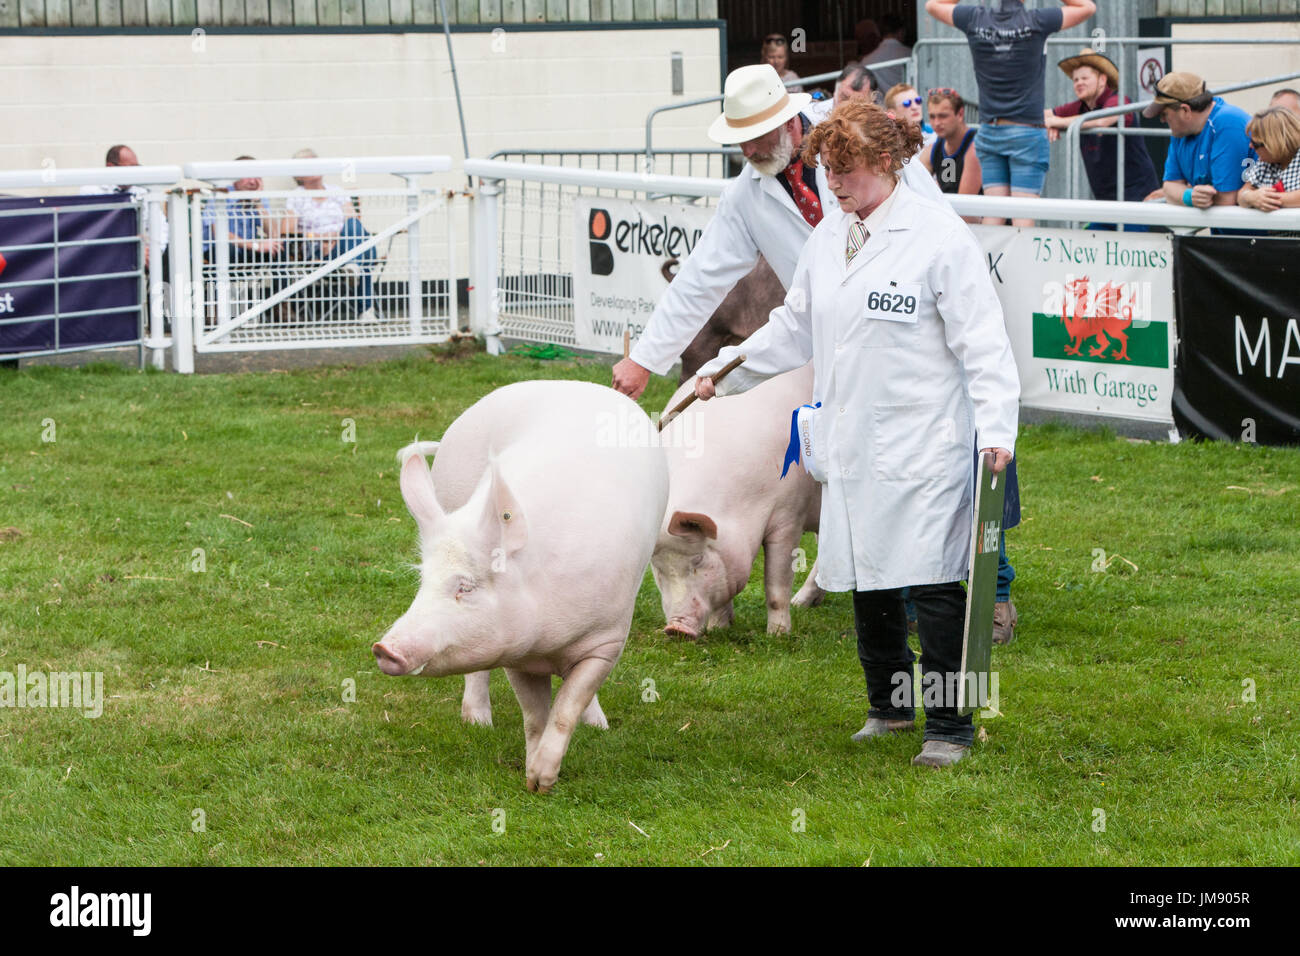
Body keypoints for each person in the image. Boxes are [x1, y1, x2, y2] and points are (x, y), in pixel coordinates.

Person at [692, 100, 1020, 768]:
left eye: (845, 171)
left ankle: (950, 727)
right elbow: (795, 323)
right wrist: (724, 368)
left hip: (924, 443)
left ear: (886, 162)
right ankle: (889, 709)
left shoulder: (938, 237)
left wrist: (997, 431)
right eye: (827, 171)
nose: (833, 185)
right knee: (867, 577)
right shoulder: (831, 235)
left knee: (933, 584)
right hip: (851, 440)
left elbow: (985, 345)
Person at [611, 63, 946, 400]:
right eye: (739, 140)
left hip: (910, 331)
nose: (747, 152)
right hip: (832, 349)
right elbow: (700, 278)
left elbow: (939, 228)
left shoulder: (865, 142)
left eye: (755, 138)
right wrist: (644, 359)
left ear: (787, 123)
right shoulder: (745, 195)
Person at [927, 0, 1097, 226]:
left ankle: (991, 263)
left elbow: (932, 5)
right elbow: (1087, 7)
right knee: (1022, 219)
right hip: (1026, 134)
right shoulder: (1037, 20)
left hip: (990, 131)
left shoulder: (974, 19)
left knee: (993, 216)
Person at [1045, 48, 1160, 219]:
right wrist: (1051, 123)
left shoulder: (1119, 101)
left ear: (1102, 80)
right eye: (1075, 79)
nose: (1078, 83)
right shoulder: (1081, 106)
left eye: (1085, 78)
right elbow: (1044, 115)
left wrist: (1058, 122)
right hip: (1106, 201)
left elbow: (1102, 120)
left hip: (1137, 199)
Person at [280, 147, 378, 321]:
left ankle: (351, 265)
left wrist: (336, 238)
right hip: (319, 252)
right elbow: (287, 232)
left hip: (343, 244)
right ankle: (366, 310)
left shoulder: (336, 191)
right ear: (298, 176)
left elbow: (353, 220)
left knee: (355, 229)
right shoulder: (296, 197)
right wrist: (320, 238)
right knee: (365, 249)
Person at [1147, 72, 1254, 214]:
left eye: (1164, 114)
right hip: (1226, 231)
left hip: (1262, 232)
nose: (1162, 120)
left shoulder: (1227, 122)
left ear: (1185, 110)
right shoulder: (1180, 132)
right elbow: (1169, 187)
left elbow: (1226, 199)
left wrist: (1184, 194)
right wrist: (1189, 196)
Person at [79, 144, 170, 258]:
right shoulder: (91, 191)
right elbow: (93, 232)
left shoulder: (142, 190)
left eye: (137, 168)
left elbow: (160, 226)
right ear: (110, 167)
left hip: (137, 261)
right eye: (131, 168)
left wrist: (154, 253)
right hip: (102, 259)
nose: (135, 173)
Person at [201, 156, 283, 261]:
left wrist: (257, 202)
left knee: (278, 247)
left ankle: (285, 278)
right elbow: (219, 233)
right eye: (248, 176)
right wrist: (257, 246)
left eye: (257, 176)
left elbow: (274, 234)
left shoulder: (258, 196)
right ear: (234, 178)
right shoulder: (220, 194)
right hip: (218, 249)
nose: (253, 182)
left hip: (247, 250)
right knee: (227, 249)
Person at [922, 88, 982, 223]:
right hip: (952, 223)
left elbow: (966, 211)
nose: (936, 123)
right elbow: (913, 187)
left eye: (943, 116)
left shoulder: (974, 147)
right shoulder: (933, 149)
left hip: (982, 229)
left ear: (960, 114)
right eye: (932, 116)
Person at [1238, 107, 1300, 232]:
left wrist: (1265, 200)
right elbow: (1241, 195)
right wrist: (1251, 197)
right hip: (1281, 246)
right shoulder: (1264, 162)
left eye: (1256, 144)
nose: (1250, 146)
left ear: (1275, 142)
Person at [807, 62, 880, 124]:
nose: (847, 109)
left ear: (871, 103)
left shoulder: (877, 125)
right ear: (835, 90)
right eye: (844, 98)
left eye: (858, 105)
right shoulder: (810, 115)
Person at [862, 13, 912, 91]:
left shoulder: (866, 61)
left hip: (880, 103)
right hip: (905, 101)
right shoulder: (911, 55)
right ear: (901, 31)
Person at [885, 83, 936, 147]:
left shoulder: (935, 132)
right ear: (892, 113)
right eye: (907, 103)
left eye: (918, 100)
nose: (915, 107)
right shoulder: (887, 142)